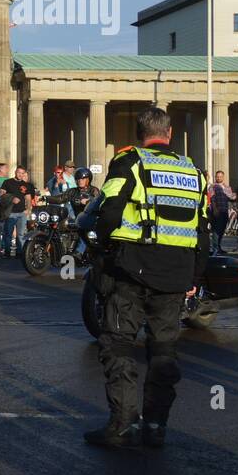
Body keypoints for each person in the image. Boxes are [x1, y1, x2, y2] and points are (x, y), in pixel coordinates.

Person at [87, 107, 209, 450]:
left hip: (132, 270)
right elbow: (202, 230)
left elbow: (108, 209)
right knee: (164, 351)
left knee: (119, 345)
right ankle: (156, 426)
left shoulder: (130, 162)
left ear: (141, 135)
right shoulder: (193, 172)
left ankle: (123, 425)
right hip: (176, 274)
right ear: (169, 134)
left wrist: (103, 248)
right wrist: (195, 275)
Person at [0, 165, 35, 257]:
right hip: (11, 212)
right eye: (19, 172)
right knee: (8, 233)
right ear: (15, 172)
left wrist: (28, 209)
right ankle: (7, 252)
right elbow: (2, 195)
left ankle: (20, 253)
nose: (20, 175)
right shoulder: (7, 182)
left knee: (21, 234)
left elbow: (28, 198)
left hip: (22, 213)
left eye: (22, 173)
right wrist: (11, 198)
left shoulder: (25, 184)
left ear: (24, 174)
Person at [207, 171, 234, 251]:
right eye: (217, 176)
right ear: (215, 177)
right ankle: (215, 247)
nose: (219, 178)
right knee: (216, 230)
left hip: (225, 210)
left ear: (223, 177)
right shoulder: (213, 186)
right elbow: (212, 198)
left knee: (222, 230)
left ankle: (219, 246)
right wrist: (215, 209)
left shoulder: (227, 187)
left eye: (220, 176)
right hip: (217, 211)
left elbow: (230, 197)